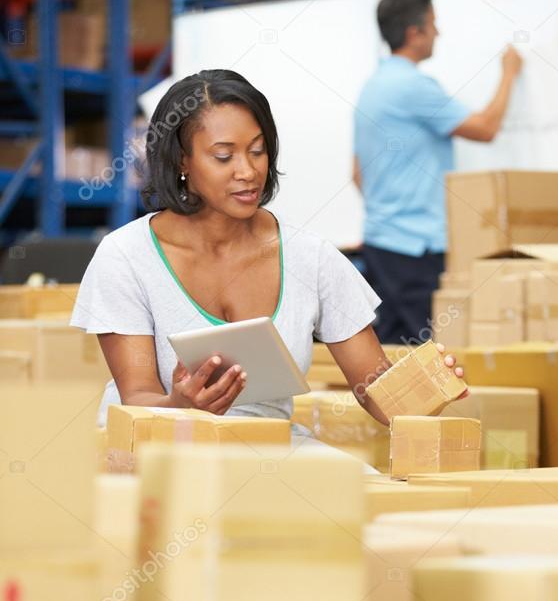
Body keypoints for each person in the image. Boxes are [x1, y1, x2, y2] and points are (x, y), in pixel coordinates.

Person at [71, 69, 465, 437]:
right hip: (157, 449)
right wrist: (179, 406)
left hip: (266, 450)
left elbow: (373, 386)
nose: (247, 171)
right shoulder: (125, 255)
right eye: (224, 156)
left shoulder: (311, 257)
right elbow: (138, 395)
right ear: (181, 161)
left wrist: (425, 390)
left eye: (257, 151)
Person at [353, 0, 523, 344]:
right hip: (416, 248)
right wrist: (509, 74)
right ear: (414, 34)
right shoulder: (412, 86)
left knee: (394, 354)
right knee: (432, 355)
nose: (438, 32)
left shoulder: (373, 87)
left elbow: (356, 174)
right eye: (433, 24)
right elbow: (485, 128)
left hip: (383, 244)